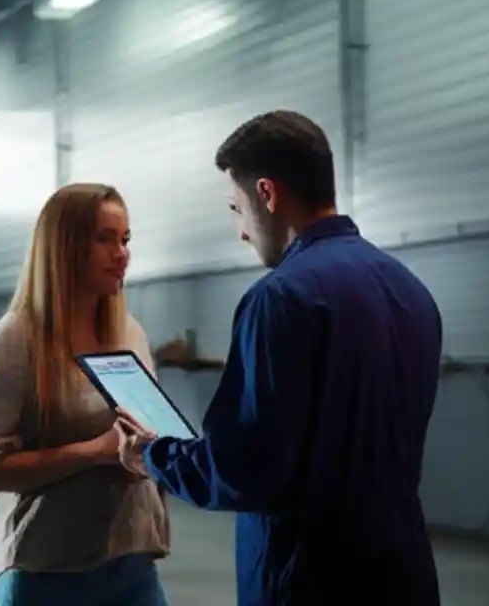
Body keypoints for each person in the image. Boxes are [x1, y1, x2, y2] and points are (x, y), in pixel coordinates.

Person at [116, 110, 443, 606]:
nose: (242, 231)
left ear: (267, 194)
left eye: (237, 208)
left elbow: (242, 466)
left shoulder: (281, 298)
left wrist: (152, 455)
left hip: (310, 578)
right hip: (403, 573)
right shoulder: (410, 290)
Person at [0, 183, 172, 606]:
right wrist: (94, 451)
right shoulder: (17, 339)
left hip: (131, 560)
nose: (121, 253)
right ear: (64, 248)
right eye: (104, 239)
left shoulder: (130, 333)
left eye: (125, 240)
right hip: (46, 570)